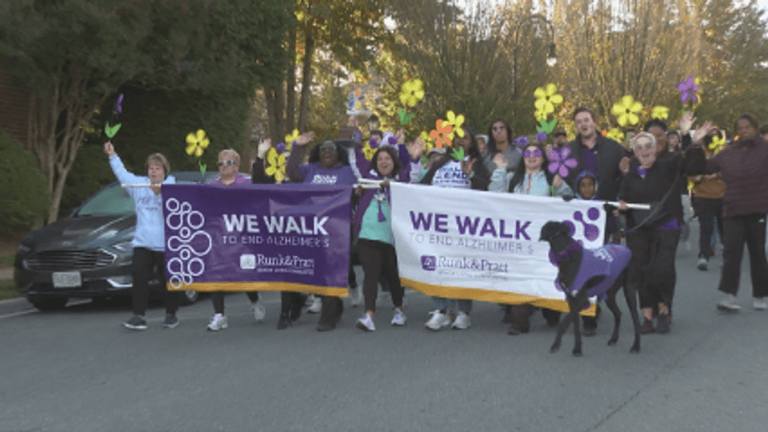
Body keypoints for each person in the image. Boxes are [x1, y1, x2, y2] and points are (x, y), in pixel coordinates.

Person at [617, 131, 700, 334]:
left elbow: (688, 162)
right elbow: (623, 198)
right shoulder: (630, 176)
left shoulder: (667, 166)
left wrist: (688, 137)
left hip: (665, 226)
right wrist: (622, 206)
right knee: (642, 271)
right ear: (634, 152)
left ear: (655, 149)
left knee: (661, 269)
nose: (644, 150)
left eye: (648, 146)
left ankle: (664, 311)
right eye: (639, 147)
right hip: (638, 229)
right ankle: (647, 316)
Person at [686, 114, 768, 312]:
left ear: (755, 128)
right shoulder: (728, 153)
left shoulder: (765, 150)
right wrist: (695, 146)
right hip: (732, 209)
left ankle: (760, 295)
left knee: (757, 253)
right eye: (740, 127)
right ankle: (728, 296)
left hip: (757, 209)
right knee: (731, 253)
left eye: (748, 126)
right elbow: (701, 167)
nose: (744, 130)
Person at [489, 140, 572, 335]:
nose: (532, 156)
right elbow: (493, 194)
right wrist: (500, 170)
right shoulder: (512, 179)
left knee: (548, 276)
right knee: (521, 278)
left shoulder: (553, 179)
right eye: (527, 153)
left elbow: (570, 199)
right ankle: (519, 322)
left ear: (543, 159)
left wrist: (559, 188)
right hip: (520, 239)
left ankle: (551, 312)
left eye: (536, 153)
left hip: (545, 240)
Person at [564, 107, 629, 335]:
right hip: (576, 218)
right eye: (579, 121)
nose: (584, 124)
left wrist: (622, 201)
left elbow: (625, 177)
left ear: (594, 122)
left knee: (595, 263)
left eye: (587, 120)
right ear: (576, 125)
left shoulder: (613, 148)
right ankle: (583, 305)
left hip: (603, 216)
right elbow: (560, 178)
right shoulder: (569, 150)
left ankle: (592, 310)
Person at [104, 141, 180, 331]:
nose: (153, 172)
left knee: (166, 281)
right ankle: (138, 316)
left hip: (164, 243)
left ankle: (171, 314)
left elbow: (175, 210)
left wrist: (161, 194)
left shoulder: (172, 187)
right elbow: (123, 175)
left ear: (164, 171)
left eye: (157, 168)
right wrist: (112, 155)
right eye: (150, 168)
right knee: (139, 277)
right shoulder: (139, 185)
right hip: (142, 242)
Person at [417, 128, 488, 330]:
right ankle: (440, 310)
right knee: (439, 266)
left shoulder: (478, 162)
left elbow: (487, 189)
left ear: (471, 141)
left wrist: (471, 174)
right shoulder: (441, 162)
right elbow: (421, 186)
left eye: (465, 138)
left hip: (465, 226)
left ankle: (463, 313)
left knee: (463, 268)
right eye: (456, 138)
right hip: (439, 226)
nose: (460, 141)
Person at [287, 136, 359, 331]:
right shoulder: (310, 170)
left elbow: (356, 194)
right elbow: (291, 173)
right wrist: (297, 148)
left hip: (338, 228)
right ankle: (334, 305)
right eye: (323, 150)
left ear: (338, 153)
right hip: (311, 228)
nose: (327, 153)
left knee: (331, 269)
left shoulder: (347, 172)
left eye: (332, 149)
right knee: (315, 270)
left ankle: (328, 317)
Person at [252, 134, 316, 330]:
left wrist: (297, 148)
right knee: (284, 273)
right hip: (277, 233)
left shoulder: (300, 180)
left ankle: (294, 303)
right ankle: (286, 311)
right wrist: (260, 157)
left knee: (294, 272)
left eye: (289, 160)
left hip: (299, 232)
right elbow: (257, 182)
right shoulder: (273, 179)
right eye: (283, 159)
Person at [206, 149, 265, 331]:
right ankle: (219, 315)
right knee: (215, 275)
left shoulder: (246, 183)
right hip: (218, 238)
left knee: (243, 274)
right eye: (221, 163)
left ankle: (255, 301)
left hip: (242, 237)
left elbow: (261, 195)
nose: (224, 166)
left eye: (229, 163)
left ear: (237, 166)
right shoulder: (212, 185)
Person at [353, 146, 407, 331]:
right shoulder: (368, 180)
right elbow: (358, 160)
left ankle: (399, 310)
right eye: (380, 159)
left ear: (394, 162)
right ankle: (369, 315)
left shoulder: (400, 182)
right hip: (367, 235)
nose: (383, 162)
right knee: (370, 275)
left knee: (393, 276)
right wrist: (355, 139)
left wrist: (403, 148)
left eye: (388, 159)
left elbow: (408, 170)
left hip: (392, 237)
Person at [688, 132, 725, 271]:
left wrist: (717, 175)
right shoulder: (698, 158)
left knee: (725, 229)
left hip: (723, 196)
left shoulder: (725, 155)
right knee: (706, 227)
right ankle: (704, 256)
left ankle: (727, 258)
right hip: (703, 197)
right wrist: (698, 178)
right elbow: (689, 174)